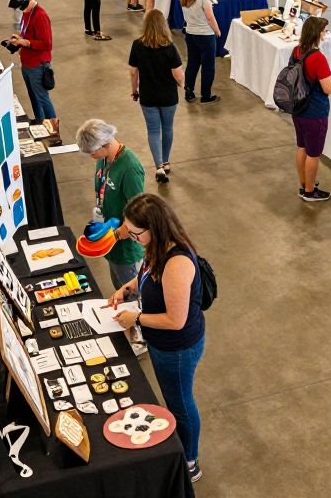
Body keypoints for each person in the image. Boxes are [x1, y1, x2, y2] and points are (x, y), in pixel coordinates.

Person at [108, 193, 206, 483]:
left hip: (176, 348)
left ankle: (190, 461)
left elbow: (175, 321)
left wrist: (135, 318)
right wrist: (127, 290)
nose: (133, 238)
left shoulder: (177, 262)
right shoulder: (155, 247)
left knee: (180, 403)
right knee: (174, 397)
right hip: (162, 343)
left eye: (136, 233)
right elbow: (146, 277)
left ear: (154, 227)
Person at [75, 119, 145, 292]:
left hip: (126, 249)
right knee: (118, 288)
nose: (91, 157)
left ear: (104, 145)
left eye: (92, 152)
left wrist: (119, 235)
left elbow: (140, 213)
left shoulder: (129, 168)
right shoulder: (104, 159)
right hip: (110, 241)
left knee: (131, 296)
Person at [129, 9, 185, 184]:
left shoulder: (137, 45)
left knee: (153, 130)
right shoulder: (169, 46)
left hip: (148, 95)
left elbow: (133, 72)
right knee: (167, 128)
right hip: (168, 96)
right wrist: (183, 86)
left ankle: (159, 166)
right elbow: (178, 74)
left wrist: (135, 90)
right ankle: (167, 161)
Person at [291, 16, 331, 202]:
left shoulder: (296, 51)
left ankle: (303, 183)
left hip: (298, 108)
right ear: (317, 34)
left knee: (301, 146)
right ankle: (310, 191)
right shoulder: (318, 58)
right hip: (315, 111)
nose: (326, 34)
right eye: (324, 31)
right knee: (314, 153)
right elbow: (328, 88)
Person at [7, 0, 57, 130]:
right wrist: (18, 37)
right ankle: (41, 123)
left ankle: (54, 131)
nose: (18, 9)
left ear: (25, 0)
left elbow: (47, 44)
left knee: (42, 97)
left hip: (38, 65)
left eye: (18, 6)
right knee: (33, 96)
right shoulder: (26, 12)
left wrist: (24, 42)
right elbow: (27, 32)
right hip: (27, 62)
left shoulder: (40, 15)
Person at [180, 0, 221, 104]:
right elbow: (210, 18)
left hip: (190, 34)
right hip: (205, 35)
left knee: (192, 63)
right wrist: (217, 31)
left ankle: (189, 91)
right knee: (208, 65)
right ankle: (206, 95)